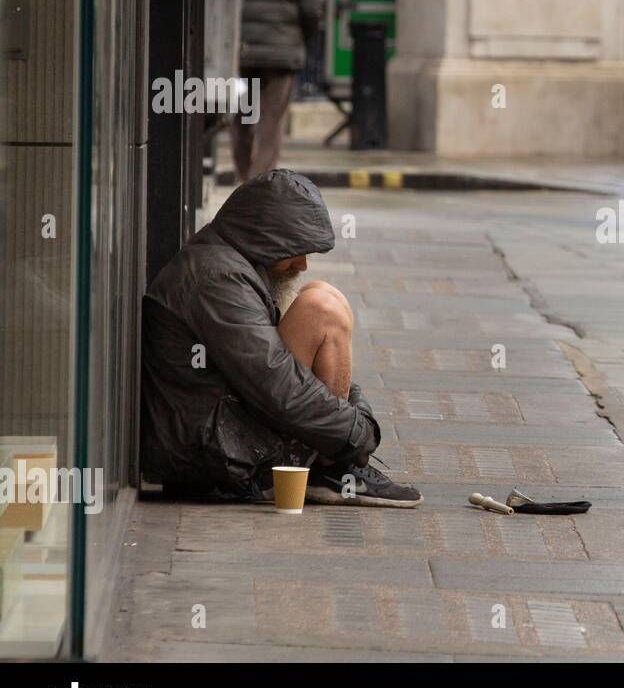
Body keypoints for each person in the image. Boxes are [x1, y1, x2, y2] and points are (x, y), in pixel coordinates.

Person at [141, 169, 423, 507]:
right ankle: (330, 465)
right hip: (213, 459)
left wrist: (349, 416)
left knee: (321, 294)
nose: (302, 264)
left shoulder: (224, 263)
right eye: (295, 250)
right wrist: (356, 434)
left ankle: (327, 464)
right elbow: (278, 384)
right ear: (265, 238)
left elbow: (278, 374)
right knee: (321, 308)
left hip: (224, 435)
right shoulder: (217, 279)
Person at [234, 0, 322, 183]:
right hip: (283, 57)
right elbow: (311, 11)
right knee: (270, 128)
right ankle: (258, 188)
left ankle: (241, 177)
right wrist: (300, 41)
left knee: (244, 119)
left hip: (243, 54)